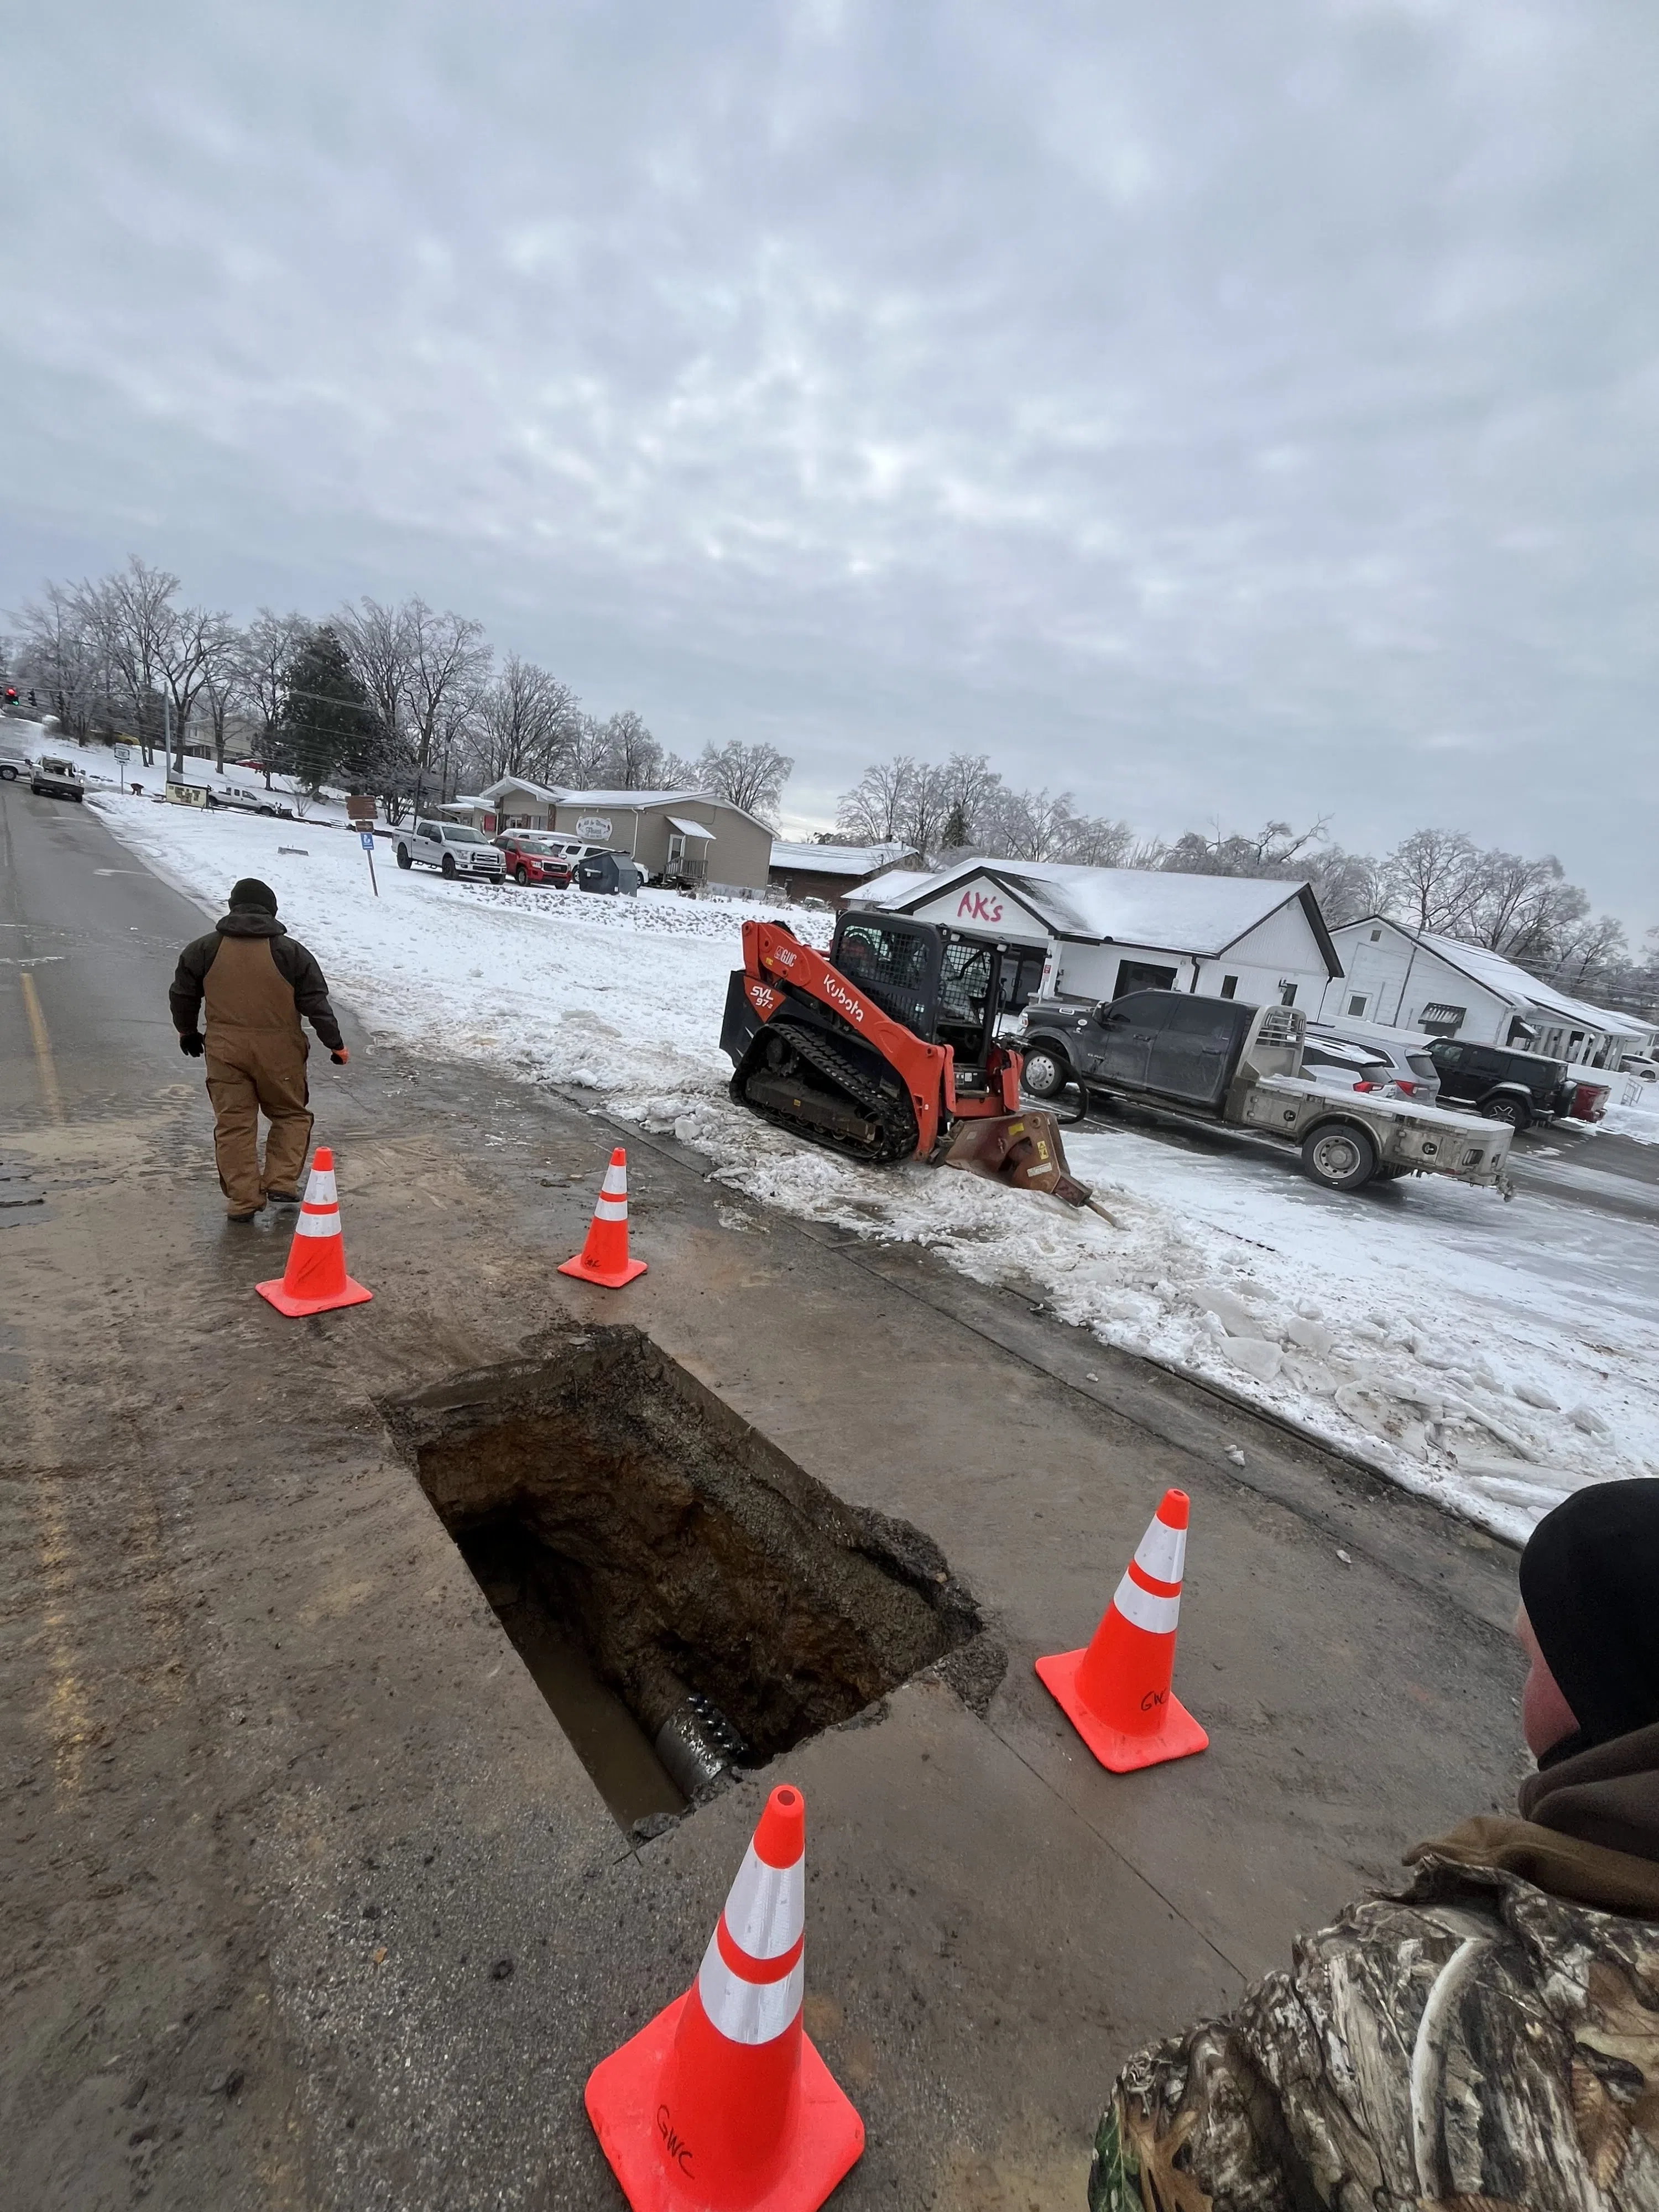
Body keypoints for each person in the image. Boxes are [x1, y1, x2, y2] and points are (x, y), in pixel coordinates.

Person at [1089, 1479, 1659, 2212]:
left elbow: (1159, 2152)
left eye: (1534, 1662)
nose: (1522, 1669)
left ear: (1606, 1703)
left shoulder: (1432, 1997)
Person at [169, 878, 349, 1222]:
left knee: (234, 1125)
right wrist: (336, 1045)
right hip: (280, 1051)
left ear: (232, 907)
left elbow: (182, 994)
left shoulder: (203, 949)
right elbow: (316, 1004)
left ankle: (243, 1200)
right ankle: (281, 1180)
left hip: (224, 1051)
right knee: (290, 1114)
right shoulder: (291, 952)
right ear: (272, 910)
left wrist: (187, 1032)